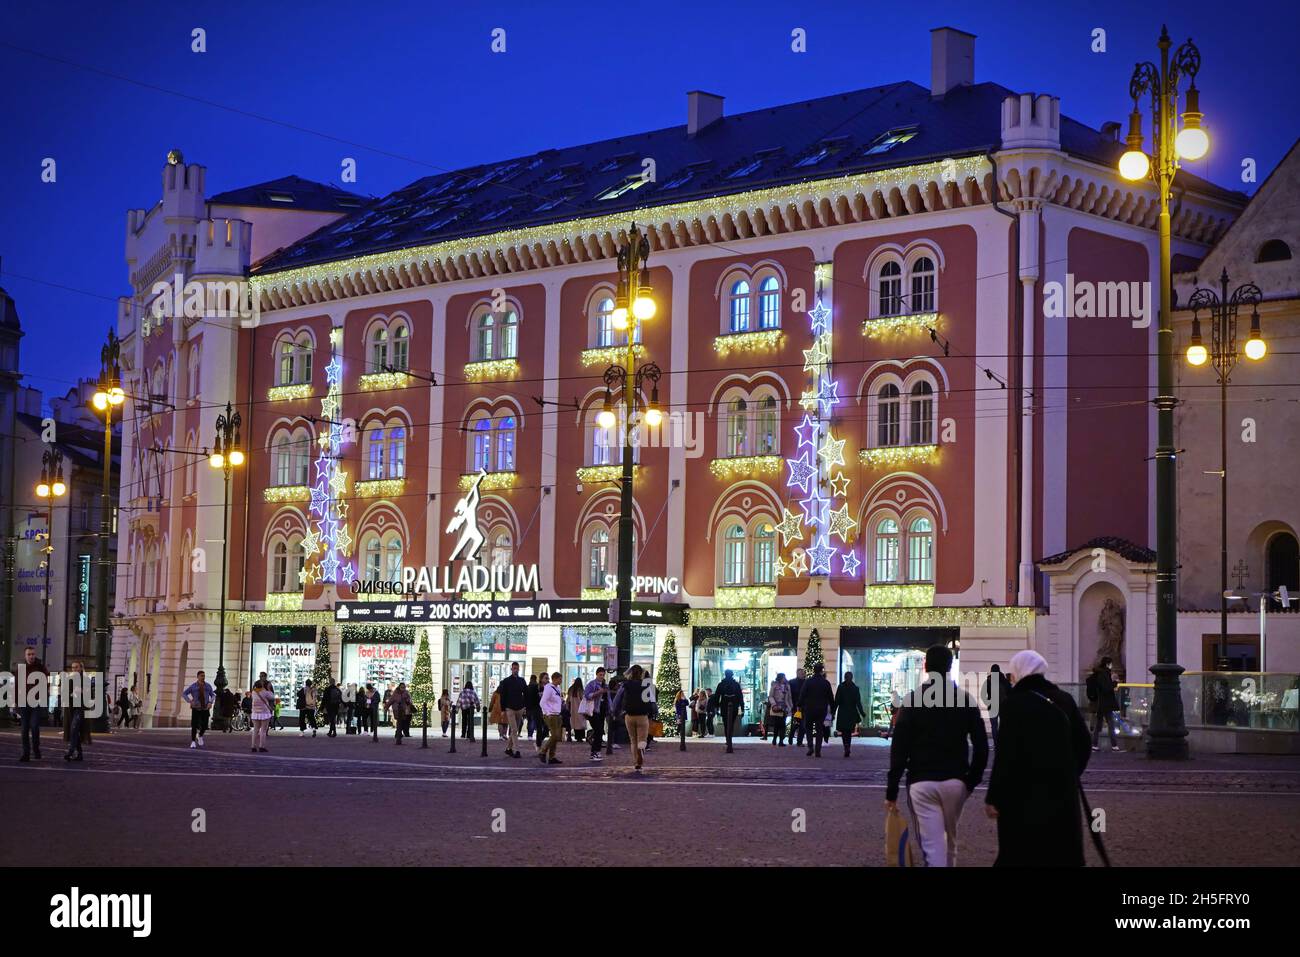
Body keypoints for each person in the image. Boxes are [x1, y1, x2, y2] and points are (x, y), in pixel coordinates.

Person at [985, 649, 1092, 867]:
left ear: (1019, 671)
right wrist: (1069, 773)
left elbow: (1005, 755)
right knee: (1059, 853)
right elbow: (1084, 744)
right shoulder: (1065, 699)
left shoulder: (1013, 705)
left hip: (1021, 796)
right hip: (1061, 793)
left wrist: (994, 796)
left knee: (1021, 854)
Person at [885, 645, 988, 867]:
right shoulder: (965, 699)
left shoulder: (913, 700)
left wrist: (892, 788)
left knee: (933, 848)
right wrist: (971, 781)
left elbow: (899, 749)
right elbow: (982, 746)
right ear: (950, 667)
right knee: (949, 840)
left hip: (921, 782)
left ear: (926, 666)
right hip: (955, 781)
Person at [612, 664, 653, 771]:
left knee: (633, 740)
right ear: (641, 673)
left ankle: (636, 762)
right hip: (643, 716)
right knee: (642, 739)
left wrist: (613, 710)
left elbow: (617, 699)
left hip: (629, 716)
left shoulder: (625, 685)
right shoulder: (646, 685)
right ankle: (641, 751)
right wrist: (654, 713)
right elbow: (652, 701)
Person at [14, 647, 49, 762]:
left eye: (33, 654)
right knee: (24, 729)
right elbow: (17, 687)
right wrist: (16, 704)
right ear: (25, 656)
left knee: (34, 727)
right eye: (29, 654)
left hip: (36, 702)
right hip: (24, 702)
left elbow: (46, 683)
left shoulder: (40, 667)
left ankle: (36, 749)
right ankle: (26, 753)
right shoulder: (21, 669)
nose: (31, 656)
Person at [797, 663, 834, 757]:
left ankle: (810, 747)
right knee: (819, 729)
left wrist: (799, 705)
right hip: (821, 709)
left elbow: (802, 694)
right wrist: (832, 710)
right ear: (822, 670)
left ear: (814, 670)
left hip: (809, 708)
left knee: (808, 728)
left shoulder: (808, 681)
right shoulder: (826, 683)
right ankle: (818, 750)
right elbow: (830, 697)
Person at [1088, 656, 1122, 752]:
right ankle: (1114, 745)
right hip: (1105, 704)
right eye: (1110, 664)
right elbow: (1106, 688)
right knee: (1110, 725)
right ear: (1107, 664)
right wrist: (1114, 683)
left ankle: (1095, 745)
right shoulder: (1104, 674)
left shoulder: (1099, 673)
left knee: (1098, 726)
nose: (1111, 666)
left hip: (1100, 704)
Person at [497, 662, 528, 758]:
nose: (516, 670)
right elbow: (503, 696)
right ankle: (517, 750)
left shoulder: (522, 681)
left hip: (519, 708)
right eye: (514, 668)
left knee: (515, 730)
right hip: (510, 708)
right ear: (511, 669)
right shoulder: (506, 681)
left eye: (517, 668)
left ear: (519, 669)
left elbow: (526, 693)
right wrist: (503, 709)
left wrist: (525, 706)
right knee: (514, 729)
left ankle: (508, 749)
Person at [182, 669, 216, 749]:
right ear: (198, 677)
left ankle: (200, 735)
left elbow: (213, 695)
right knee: (194, 725)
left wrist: (210, 702)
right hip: (196, 708)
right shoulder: (193, 686)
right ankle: (193, 741)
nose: (203, 677)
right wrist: (190, 701)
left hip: (205, 708)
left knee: (204, 725)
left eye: (204, 676)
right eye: (201, 676)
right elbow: (184, 693)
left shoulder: (208, 686)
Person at [834, 671, 866, 757]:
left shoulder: (841, 687)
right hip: (851, 712)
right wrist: (862, 712)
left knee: (844, 732)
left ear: (845, 677)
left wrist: (833, 713)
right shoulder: (855, 688)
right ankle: (848, 746)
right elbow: (858, 702)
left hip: (842, 712)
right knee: (848, 731)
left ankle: (846, 747)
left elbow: (836, 701)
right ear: (851, 678)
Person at [61, 661, 88, 761]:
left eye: (76, 667)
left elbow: (91, 694)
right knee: (74, 731)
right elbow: (64, 693)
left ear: (81, 668)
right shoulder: (69, 679)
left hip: (80, 708)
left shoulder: (85, 679)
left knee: (74, 728)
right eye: (72, 668)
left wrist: (83, 692)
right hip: (70, 708)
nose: (74, 669)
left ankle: (71, 751)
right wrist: (72, 694)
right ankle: (80, 754)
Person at [713, 670, 745, 753]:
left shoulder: (722, 684)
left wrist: (716, 707)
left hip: (726, 705)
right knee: (729, 723)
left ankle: (728, 738)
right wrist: (742, 708)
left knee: (727, 723)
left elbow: (717, 697)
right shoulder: (735, 684)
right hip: (732, 705)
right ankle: (728, 738)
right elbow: (740, 697)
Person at [537, 671, 565, 765]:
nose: (561, 681)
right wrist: (548, 713)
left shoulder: (558, 688)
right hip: (551, 715)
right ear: (555, 679)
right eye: (560, 679)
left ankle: (552, 756)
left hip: (557, 714)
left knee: (557, 737)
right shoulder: (548, 688)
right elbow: (542, 702)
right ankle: (543, 751)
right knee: (555, 735)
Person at [583, 668, 610, 761]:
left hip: (602, 711)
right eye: (600, 675)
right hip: (593, 711)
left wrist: (610, 708)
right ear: (596, 674)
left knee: (600, 731)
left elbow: (608, 698)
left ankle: (597, 751)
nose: (602, 677)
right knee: (598, 730)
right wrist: (599, 692)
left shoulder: (605, 685)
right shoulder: (592, 684)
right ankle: (594, 752)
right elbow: (587, 695)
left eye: (603, 675)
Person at [982, 664, 1013, 744]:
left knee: (994, 726)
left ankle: (996, 743)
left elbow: (983, 693)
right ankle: (1002, 743)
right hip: (1003, 706)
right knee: (1003, 726)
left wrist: (988, 702)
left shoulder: (989, 680)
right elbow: (1010, 692)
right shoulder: (1004, 680)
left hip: (992, 706)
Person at [767, 673, 793, 747]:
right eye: (783, 677)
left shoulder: (787, 686)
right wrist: (774, 704)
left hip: (784, 707)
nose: (785, 679)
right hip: (777, 707)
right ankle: (775, 738)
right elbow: (771, 696)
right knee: (777, 724)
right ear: (780, 678)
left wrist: (790, 706)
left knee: (783, 724)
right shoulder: (775, 685)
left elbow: (789, 697)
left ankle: (781, 740)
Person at [250, 679, 275, 752]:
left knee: (255, 730)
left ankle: (253, 746)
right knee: (263, 730)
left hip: (255, 713)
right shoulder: (265, 692)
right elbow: (272, 697)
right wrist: (269, 688)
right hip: (264, 713)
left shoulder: (253, 692)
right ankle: (262, 746)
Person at [788, 668, 807, 748]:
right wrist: (791, 705)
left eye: (803, 673)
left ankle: (799, 741)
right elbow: (789, 695)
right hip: (795, 706)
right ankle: (791, 737)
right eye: (801, 673)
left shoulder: (806, 682)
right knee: (796, 723)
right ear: (797, 673)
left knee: (803, 725)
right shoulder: (792, 682)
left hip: (804, 707)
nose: (802, 674)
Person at [535, 673, 552, 749]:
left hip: (547, 710)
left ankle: (538, 742)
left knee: (546, 728)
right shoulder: (537, 688)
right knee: (539, 728)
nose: (547, 680)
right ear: (541, 679)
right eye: (546, 678)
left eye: (548, 678)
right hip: (538, 710)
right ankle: (538, 745)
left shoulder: (550, 688)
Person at [567, 678, 587, 742]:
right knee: (580, 723)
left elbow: (568, 700)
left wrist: (568, 707)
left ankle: (575, 736)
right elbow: (583, 699)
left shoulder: (571, 689)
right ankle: (580, 737)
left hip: (572, 709)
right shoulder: (580, 690)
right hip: (580, 708)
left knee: (575, 723)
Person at [524, 674, 541, 740]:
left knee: (530, 720)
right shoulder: (537, 687)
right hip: (535, 706)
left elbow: (525, 697)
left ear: (530, 679)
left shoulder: (527, 687)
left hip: (528, 706)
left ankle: (529, 734)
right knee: (533, 720)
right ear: (535, 679)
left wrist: (525, 706)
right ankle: (531, 735)